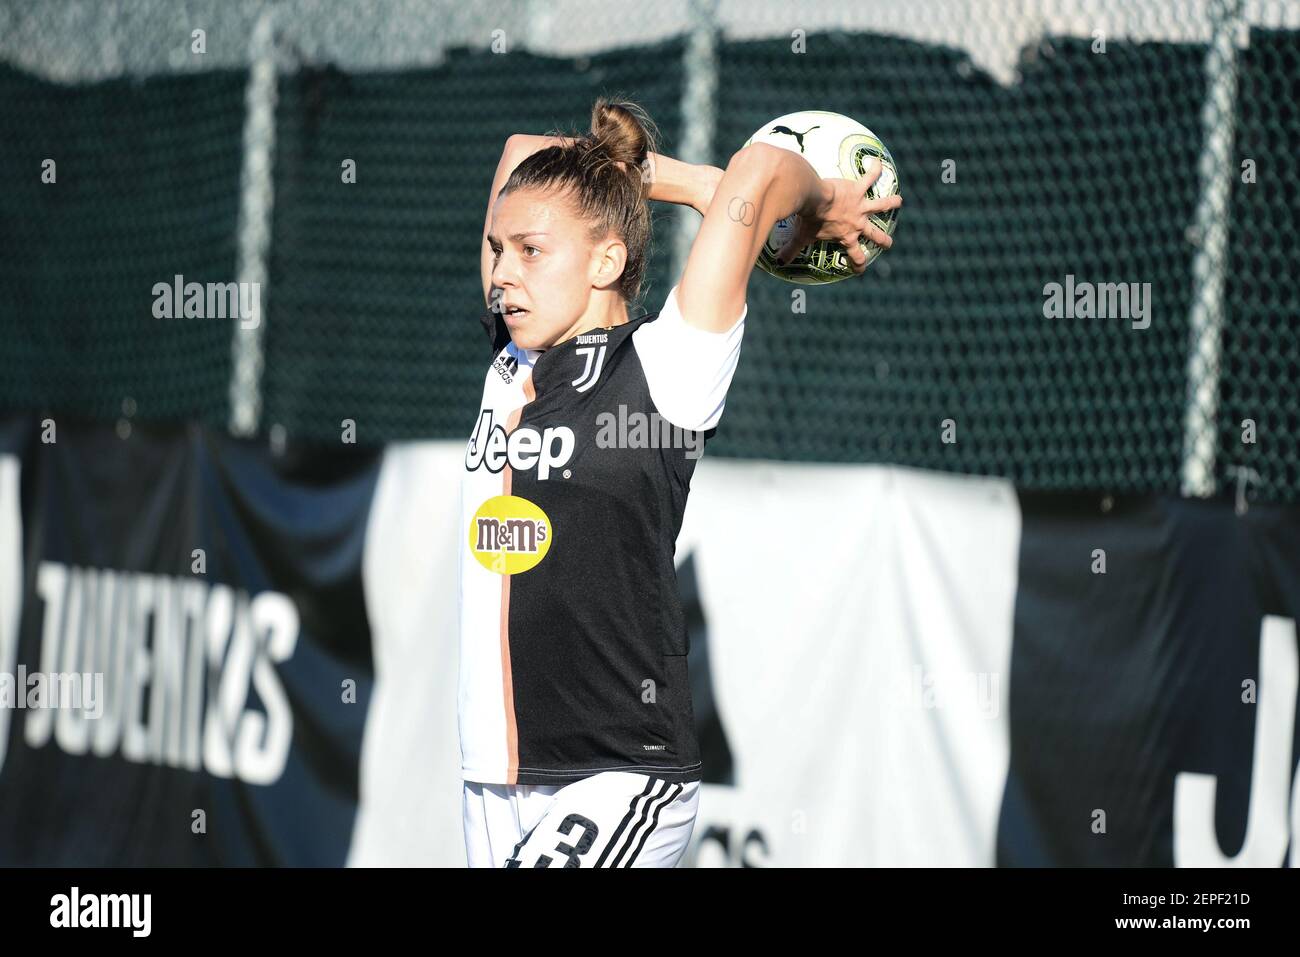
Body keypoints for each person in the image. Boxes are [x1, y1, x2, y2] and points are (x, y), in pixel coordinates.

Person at [459, 97, 900, 868]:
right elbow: (523, 145)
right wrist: (642, 179)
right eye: (498, 249)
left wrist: (805, 201)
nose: (502, 272)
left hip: (621, 770)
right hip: (494, 774)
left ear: (607, 261)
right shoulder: (511, 364)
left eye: (530, 250)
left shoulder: (669, 366)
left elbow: (760, 173)